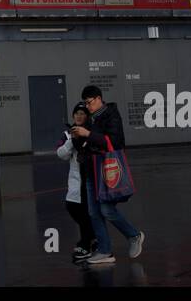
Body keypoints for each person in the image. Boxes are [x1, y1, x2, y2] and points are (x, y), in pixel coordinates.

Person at [72, 85, 143, 265]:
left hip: (107, 170)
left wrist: (87, 133)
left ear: (98, 98)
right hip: (91, 171)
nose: (87, 107)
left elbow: (115, 141)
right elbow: (84, 145)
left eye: (89, 103)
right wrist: (77, 136)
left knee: (106, 209)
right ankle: (104, 250)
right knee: (94, 212)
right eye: (85, 104)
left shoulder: (111, 114)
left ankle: (134, 235)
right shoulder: (90, 119)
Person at [57, 101, 97, 263]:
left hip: (91, 179)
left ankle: (86, 243)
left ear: (87, 116)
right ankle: (90, 239)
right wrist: (72, 140)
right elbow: (61, 154)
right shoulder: (68, 134)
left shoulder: (91, 132)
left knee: (88, 212)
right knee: (73, 207)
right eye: (77, 113)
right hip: (75, 181)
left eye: (82, 113)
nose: (79, 116)